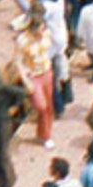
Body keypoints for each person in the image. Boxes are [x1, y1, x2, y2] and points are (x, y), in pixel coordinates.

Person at [14, 15, 57, 148]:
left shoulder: (46, 35)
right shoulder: (23, 41)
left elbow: (50, 48)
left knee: (48, 105)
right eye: (40, 29)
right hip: (33, 75)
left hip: (46, 71)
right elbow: (18, 62)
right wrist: (26, 80)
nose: (42, 32)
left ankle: (44, 133)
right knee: (41, 106)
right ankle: (44, 134)